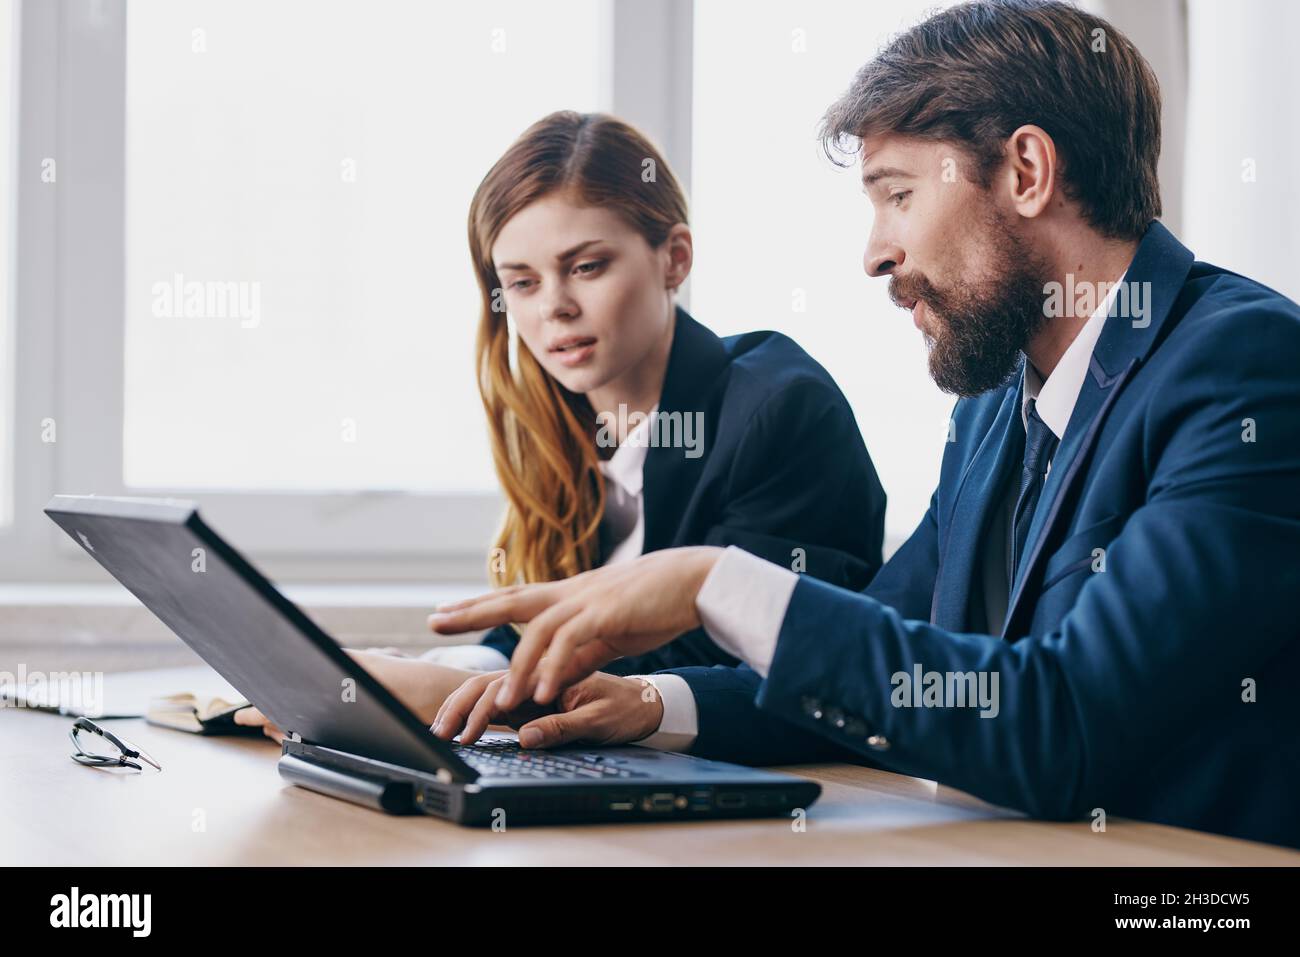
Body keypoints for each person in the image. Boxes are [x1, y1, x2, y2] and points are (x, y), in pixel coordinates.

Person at [427, 1, 1300, 849]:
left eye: (899, 194)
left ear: (1027, 172)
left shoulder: (1243, 366)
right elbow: (881, 669)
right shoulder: (997, 408)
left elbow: (1068, 720)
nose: (875, 252)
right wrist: (652, 705)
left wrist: (711, 581)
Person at [238, 111, 887, 745]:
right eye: (521, 282)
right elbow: (547, 631)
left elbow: (778, 669)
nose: (555, 307)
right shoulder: (556, 420)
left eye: (586, 267)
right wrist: (457, 678)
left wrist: (458, 696)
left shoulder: (781, 409)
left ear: (674, 258)